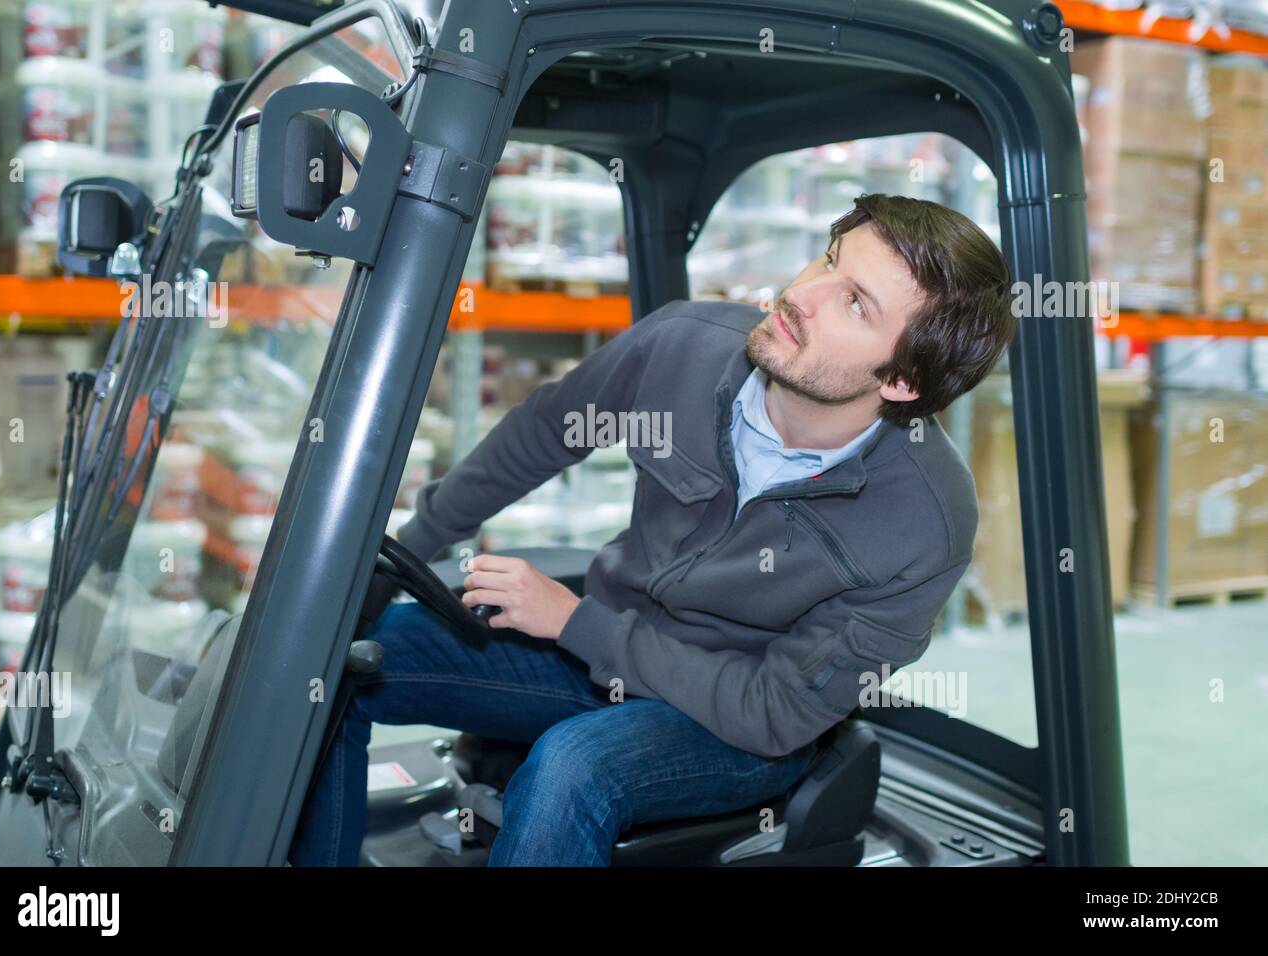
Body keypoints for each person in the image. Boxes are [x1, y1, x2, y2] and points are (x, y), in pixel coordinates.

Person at [289, 193, 1015, 866]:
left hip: (734, 730)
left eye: (855, 304)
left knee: (576, 767)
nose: (801, 294)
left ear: (902, 383)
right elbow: (543, 432)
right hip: (592, 660)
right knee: (331, 662)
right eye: (829, 260)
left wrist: (575, 623)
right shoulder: (683, 347)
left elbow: (774, 712)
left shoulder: (923, 523)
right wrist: (399, 556)